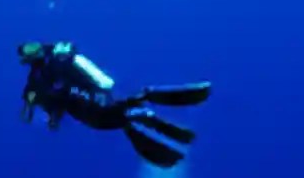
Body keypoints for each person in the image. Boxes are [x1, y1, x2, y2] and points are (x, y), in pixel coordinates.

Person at [17, 41, 211, 168]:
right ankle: (143, 113)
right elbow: (44, 111)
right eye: (28, 51)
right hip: (91, 114)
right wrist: (47, 115)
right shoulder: (40, 79)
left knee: (122, 114)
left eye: (32, 47)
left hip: (94, 109)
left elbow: (88, 80)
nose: (34, 50)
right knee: (122, 116)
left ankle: (143, 109)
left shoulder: (56, 62)